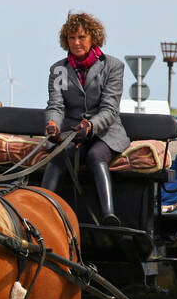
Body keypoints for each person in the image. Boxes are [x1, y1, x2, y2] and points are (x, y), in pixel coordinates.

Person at [42, 11, 129, 226]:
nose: (76, 42)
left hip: (106, 132)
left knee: (95, 155)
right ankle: (42, 207)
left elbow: (110, 109)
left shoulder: (113, 66)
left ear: (93, 38)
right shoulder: (59, 69)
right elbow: (56, 105)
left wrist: (91, 126)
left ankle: (108, 214)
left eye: (81, 37)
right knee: (60, 154)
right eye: (72, 38)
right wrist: (52, 124)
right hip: (72, 130)